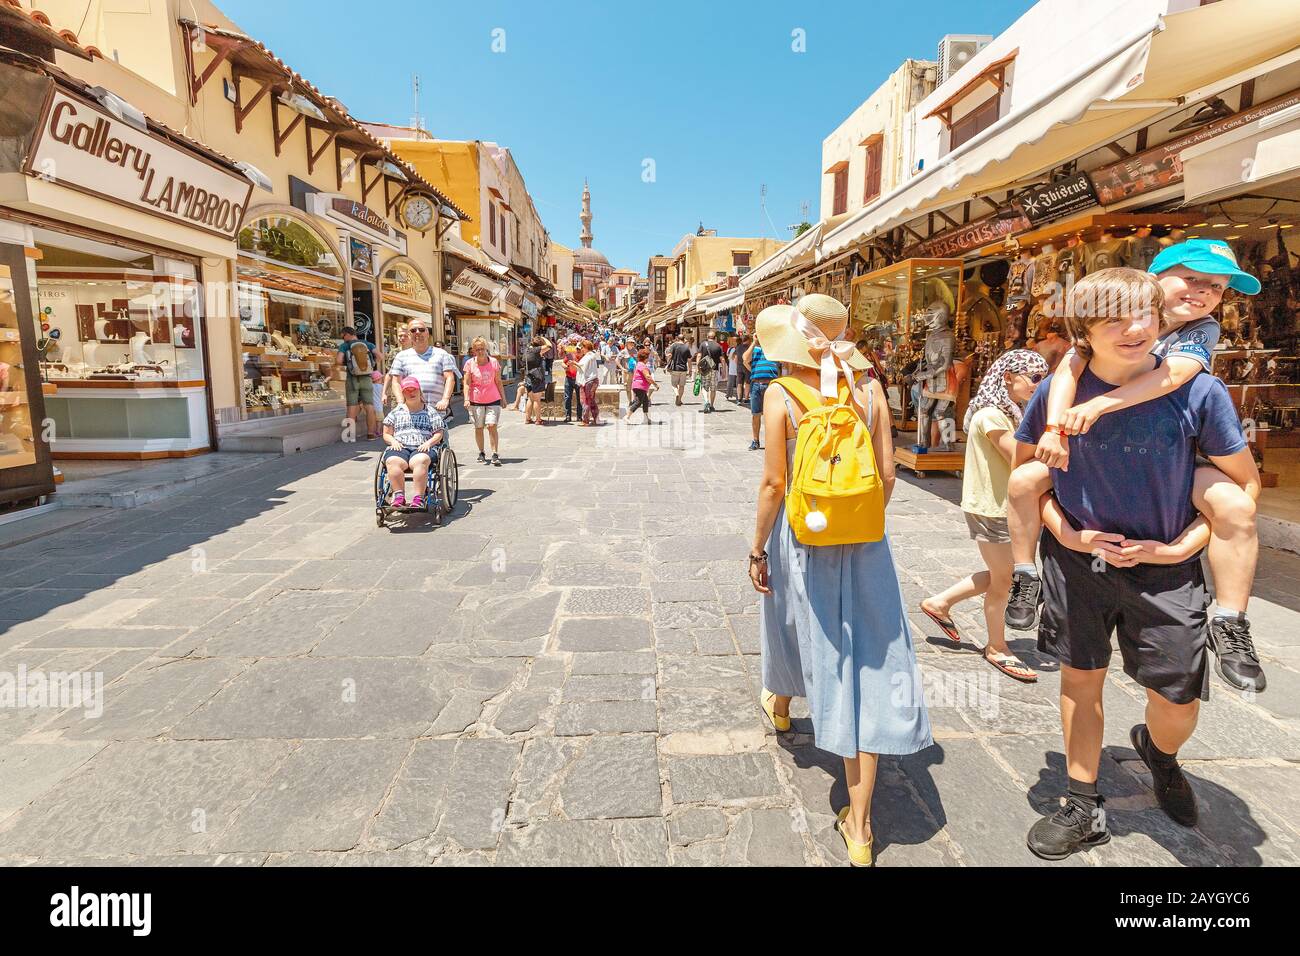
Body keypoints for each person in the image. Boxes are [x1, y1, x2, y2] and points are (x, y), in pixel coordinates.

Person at [1014, 269, 1259, 859]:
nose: (1132, 330)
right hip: (1079, 567)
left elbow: (1243, 489)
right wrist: (1067, 535)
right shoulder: (1057, 392)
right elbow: (1027, 481)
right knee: (1080, 680)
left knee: (1177, 700)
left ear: (1160, 318)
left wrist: (1178, 549)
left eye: (1143, 316)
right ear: (1083, 330)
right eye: (1111, 319)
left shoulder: (1199, 391)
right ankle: (1080, 797)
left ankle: (1160, 753)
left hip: (1166, 567)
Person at [1004, 243, 1266, 694]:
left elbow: (1174, 377)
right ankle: (1025, 573)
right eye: (1194, 279)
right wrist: (1054, 430)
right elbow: (1068, 367)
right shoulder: (1111, 314)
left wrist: (1100, 406)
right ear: (1156, 277)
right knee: (1025, 478)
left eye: (1218, 288)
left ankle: (1230, 620)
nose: (1205, 293)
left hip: (1187, 460)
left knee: (1234, 505)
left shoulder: (1200, 330)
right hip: (1090, 468)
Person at [751, 294, 932, 868]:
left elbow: (774, 485)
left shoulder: (782, 393)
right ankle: (859, 827)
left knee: (788, 618)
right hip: (864, 540)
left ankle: (780, 704)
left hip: (803, 534)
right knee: (867, 657)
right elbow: (885, 472)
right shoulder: (871, 389)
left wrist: (756, 547)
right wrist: (859, 516)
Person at [920, 350, 1049, 683]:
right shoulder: (991, 415)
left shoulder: (1008, 413)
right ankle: (996, 646)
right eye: (1034, 378)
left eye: (1044, 378)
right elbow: (1017, 456)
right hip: (993, 508)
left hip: (1003, 506)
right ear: (1009, 378)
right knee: (1005, 580)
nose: (1040, 384)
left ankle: (940, 602)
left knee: (1001, 573)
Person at [382, 375, 446, 511]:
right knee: (392, 461)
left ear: (419, 391)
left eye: (414, 389)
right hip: (400, 447)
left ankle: (418, 497)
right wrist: (393, 441)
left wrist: (429, 443)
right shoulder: (396, 412)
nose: (411, 393)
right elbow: (386, 433)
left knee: (420, 461)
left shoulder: (430, 411)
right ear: (403, 393)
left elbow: (439, 433)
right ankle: (399, 496)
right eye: (407, 390)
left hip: (423, 447)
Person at [386, 320, 459, 424]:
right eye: (413, 330)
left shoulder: (442, 354)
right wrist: (400, 402)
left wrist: (445, 399)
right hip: (411, 413)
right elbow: (396, 381)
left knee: (438, 439)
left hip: (436, 412)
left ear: (427, 333)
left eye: (421, 329)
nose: (417, 332)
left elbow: (450, 378)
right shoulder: (401, 356)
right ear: (409, 335)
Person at [463, 336, 506, 465]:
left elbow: (498, 381)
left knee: (492, 425)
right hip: (476, 400)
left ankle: (494, 452)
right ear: (473, 351)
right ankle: (481, 451)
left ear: (486, 348)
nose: (480, 351)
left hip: (493, 398)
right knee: (479, 427)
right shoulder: (469, 364)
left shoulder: (493, 362)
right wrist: (466, 399)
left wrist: (503, 398)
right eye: (477, 349)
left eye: (482, 349)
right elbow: (466, 383)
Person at [337, 326, 378, 440]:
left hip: (352, 378)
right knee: (369, 406)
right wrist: (371, 365)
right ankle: (371, 434)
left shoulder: (345, 345)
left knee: (352, 406)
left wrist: (348, 364)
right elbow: (379, 355)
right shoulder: (368, 344)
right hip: (367, 379)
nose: (343, 339)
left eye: (343, 336)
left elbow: (339, 360)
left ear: (346, 334)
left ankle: (349, 435)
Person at [744, 333, 780, 451]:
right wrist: (754, 342)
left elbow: (784, 365)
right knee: (756, 415)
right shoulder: (755, 349)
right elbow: (745, 359)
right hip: (756, 385)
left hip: (771, 385)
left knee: (772, 415)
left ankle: (772, 441)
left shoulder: (775, 350)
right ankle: (756, 440)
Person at [521, 335, 550, 425]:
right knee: (537, 400)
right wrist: (544, 338)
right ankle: (538, 419)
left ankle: (528, 419)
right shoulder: (537, 350)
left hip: (528, 377)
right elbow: (549, 346)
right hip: (536, 377)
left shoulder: (526, 351)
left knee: (530, 399)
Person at [697, 330, 724, 413]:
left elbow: (699, 356)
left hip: (705, 370)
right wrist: (724, 371)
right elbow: (722, 359)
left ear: (707, 337)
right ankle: (712, 405)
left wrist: (698, 367)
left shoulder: (703, 344)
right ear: (715, 337)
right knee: (713, 388)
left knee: (704, 387)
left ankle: (706, 402)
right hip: (714, 370)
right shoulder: (718, 346)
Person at [577, 338, 601, 426]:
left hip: (588, 381)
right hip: (593, 381)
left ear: (586, 347)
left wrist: (574, 364)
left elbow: (583, 367)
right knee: (591, 400)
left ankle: (585, 420)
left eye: (582, 347)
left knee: (585, 401)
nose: (581, 349)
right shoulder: (592, 355)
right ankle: (596, 418)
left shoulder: (588, 356)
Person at [630, 348, 656, 424]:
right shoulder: (642, 366)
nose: (648, 359)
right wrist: (655, 385)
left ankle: (646, 418)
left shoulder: (639, 364)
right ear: (645, 358)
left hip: (639, 386)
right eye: (648, 357)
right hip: (640, 386)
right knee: (638, 402)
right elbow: (648, 377)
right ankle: (627, 416)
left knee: (645, 401)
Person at [666, 334, 692, 406]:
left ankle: (676, 394)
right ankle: (679, 400)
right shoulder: (686, 347)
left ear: (677, 338)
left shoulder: (674, 345)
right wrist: (690, 370)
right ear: (684, 339)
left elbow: (670, 355)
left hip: (675, 368)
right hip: (684, 369)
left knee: (674, 384)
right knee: (682, 386)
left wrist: (667, 363)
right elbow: (689, 360)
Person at [561, 344, 580, 423]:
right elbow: (562, 363)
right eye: (577, 348)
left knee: (580, 398)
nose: (578, 350)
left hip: (578, 379)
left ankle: (579, 416)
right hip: (569, 378)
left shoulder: (582, 356)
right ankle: (568, 416)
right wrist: (565, 366)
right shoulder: (569, 355)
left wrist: (575, 364)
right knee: (567, 398)